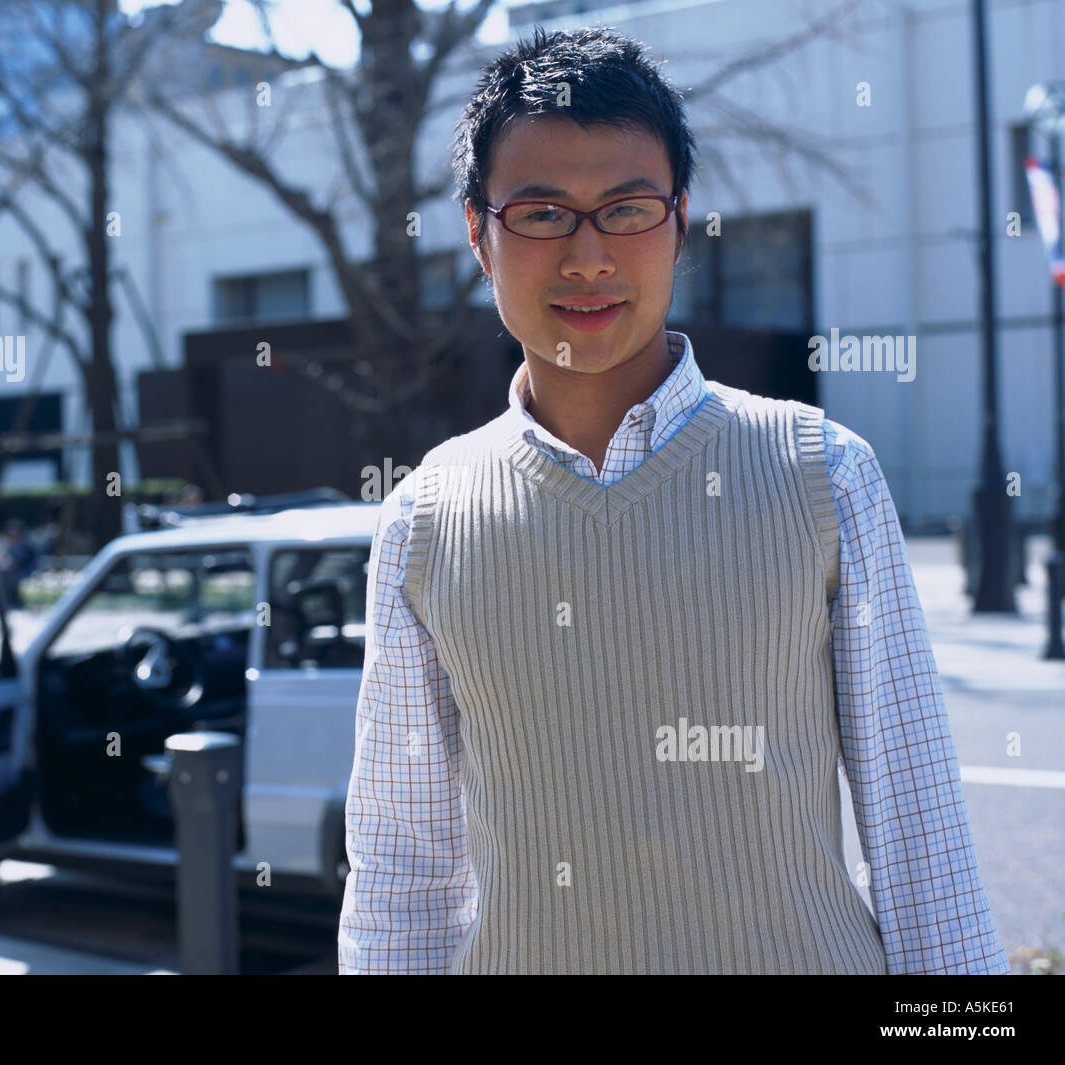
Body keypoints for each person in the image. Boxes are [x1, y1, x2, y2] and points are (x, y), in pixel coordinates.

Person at [338, 28, 1008, 975]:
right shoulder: (422, 521)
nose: (585, 256)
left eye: (626, 208)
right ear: (478, 235)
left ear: (680, 220)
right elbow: (402, 874)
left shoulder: (823, 472)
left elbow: (921, 839)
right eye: (539, 213)